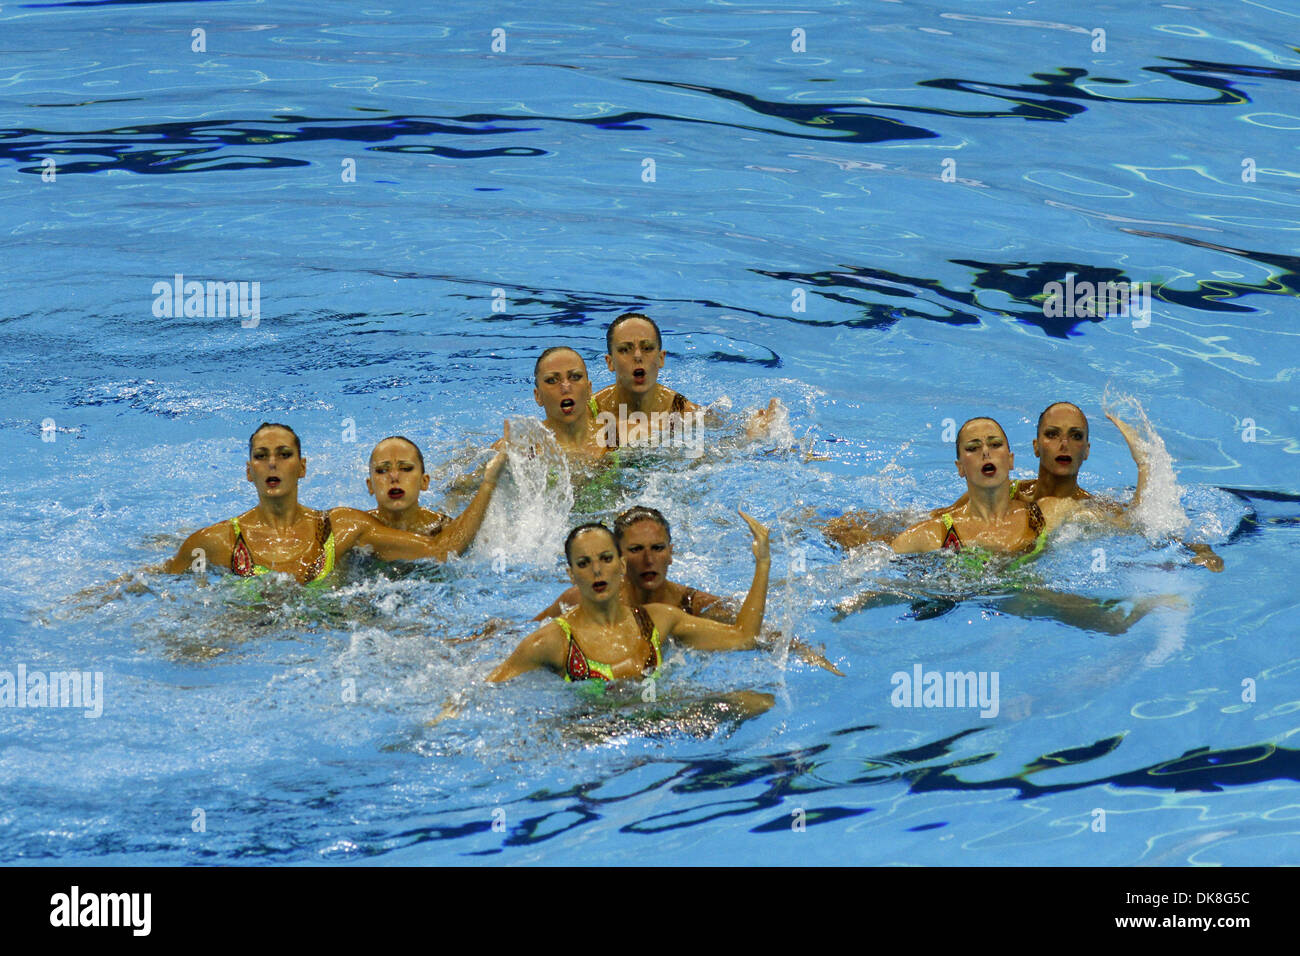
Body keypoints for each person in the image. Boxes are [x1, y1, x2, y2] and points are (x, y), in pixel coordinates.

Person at [162, 422, 505, 584]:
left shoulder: (342, 526)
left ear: (302, 467)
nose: (272, 464)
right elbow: (154, 581)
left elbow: (444, 550)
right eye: (261, 457)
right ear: (249, 472)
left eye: (284, 455)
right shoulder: (218, 542)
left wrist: (489, 480)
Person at [488, 510, 770, 682]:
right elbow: (486, 690)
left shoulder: (660, 618)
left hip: (656, 727)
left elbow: (743, 637)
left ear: (620, 564)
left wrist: (763, 563)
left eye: (606, 559)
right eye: (584, 564)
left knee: (754, 702)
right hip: (590, 737)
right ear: (571, 574)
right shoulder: (550, 641)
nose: (597, 570)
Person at [889, 415, 1136, 558]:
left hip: (1027, 606)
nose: (985, 452)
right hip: (958, 603)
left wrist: (1144, 463)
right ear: (960, 467)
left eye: (995, 445)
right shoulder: (936, 533)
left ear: (1010, 460)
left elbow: (1133, 525)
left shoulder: (1045, 513)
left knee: (1115, 622)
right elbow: (872, 570)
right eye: (973, 448)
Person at [366, 434, 506, 554]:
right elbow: (442, 552)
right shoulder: (356, 526)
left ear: (424, 482)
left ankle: (465, 483)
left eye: (406, 468)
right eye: (382, 470)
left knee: (453, 499)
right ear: (370, 486)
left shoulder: (443, 527)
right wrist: (489, 482)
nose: (394, 476)